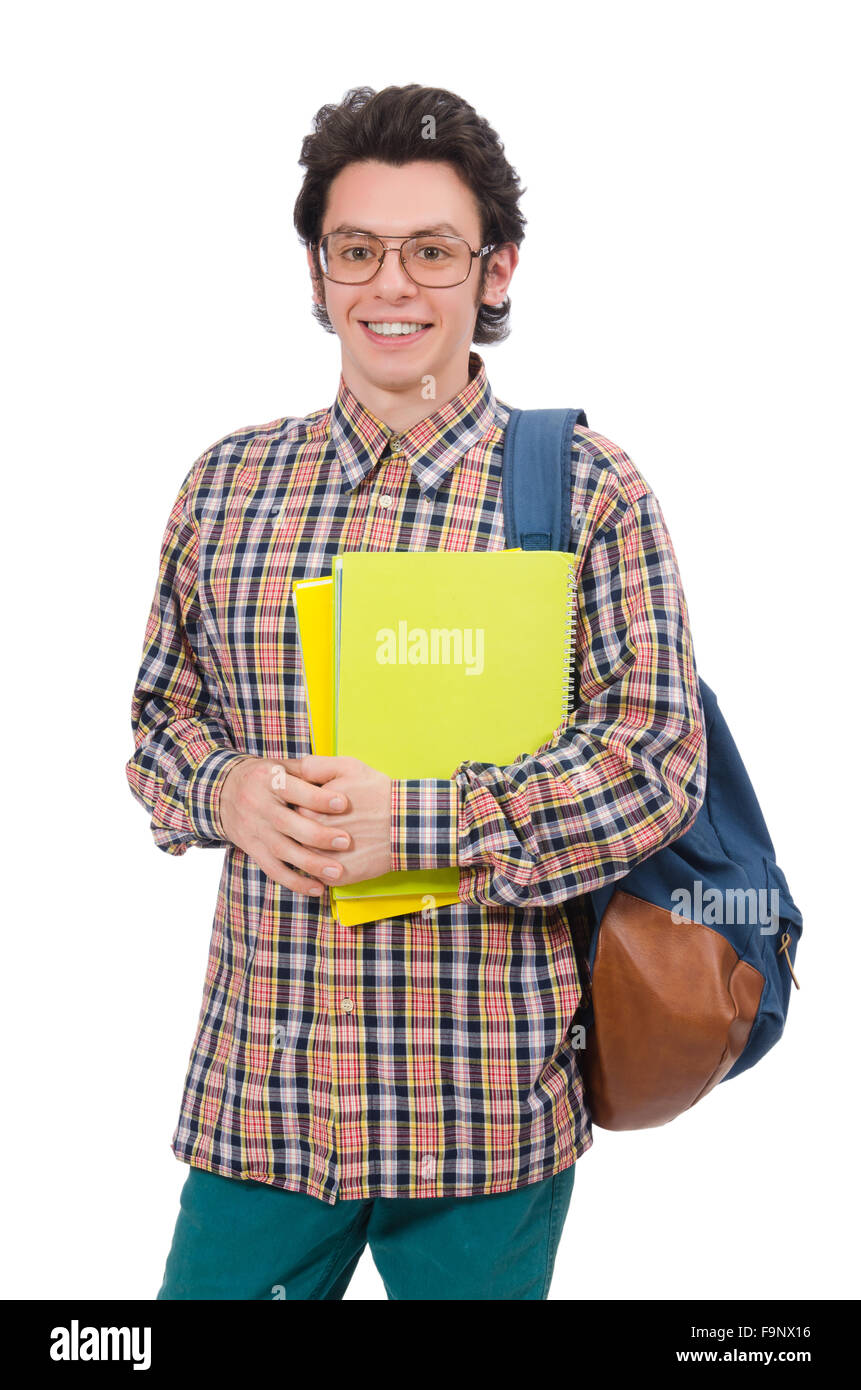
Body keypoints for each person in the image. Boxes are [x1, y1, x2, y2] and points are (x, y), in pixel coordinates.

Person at [126, 83, 707, 1301]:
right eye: (359, 249)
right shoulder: (225, 487)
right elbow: (159, 725)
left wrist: (420, 824)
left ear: (495, 271)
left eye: (433, 251)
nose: (393, 286)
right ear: (319, 269)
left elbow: (656, 765)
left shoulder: (590, 492)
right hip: (264, 1097)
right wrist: (222, 791)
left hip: (486, 1109)